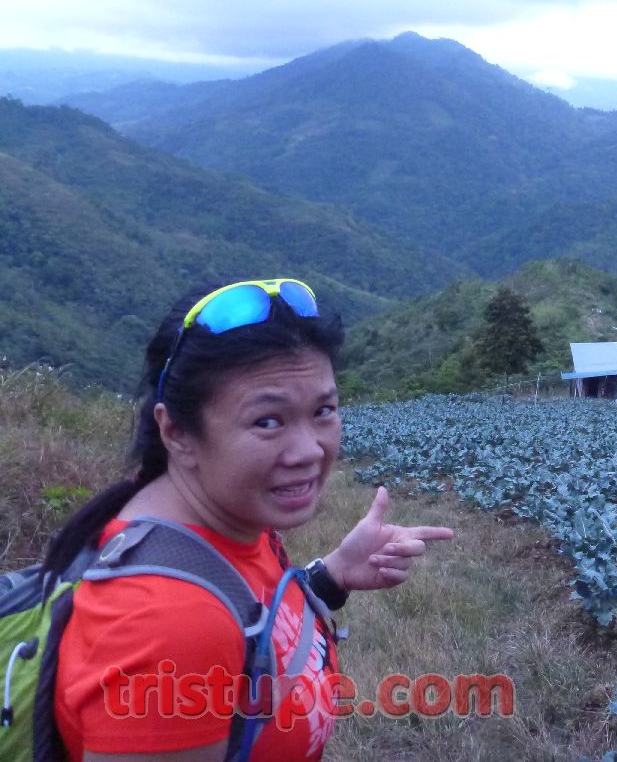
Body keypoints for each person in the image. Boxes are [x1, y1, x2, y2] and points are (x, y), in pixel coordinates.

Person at [40, 278, 454, 760]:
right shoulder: (167, 626)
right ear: (176, 432)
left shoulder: (224, 521)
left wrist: (331, 576)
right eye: (268, 421)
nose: (309, 451)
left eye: (323, 410)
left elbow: (249, 621)